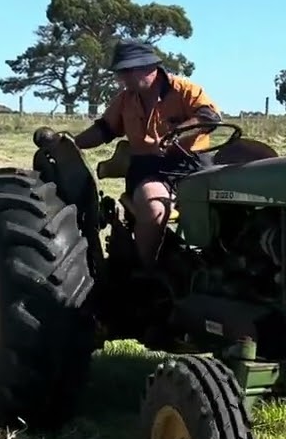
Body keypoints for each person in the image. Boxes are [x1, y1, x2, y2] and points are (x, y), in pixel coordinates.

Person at [68, 38, 222, 270]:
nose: (123, 78)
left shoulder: (186, 91)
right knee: (154, 206)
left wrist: (176, 134)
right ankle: (147, 271)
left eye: (128, 71)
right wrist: (72, 144)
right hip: (151, 170)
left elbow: (209, 118)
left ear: (150, 67)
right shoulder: (125, 100)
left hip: (195, 165)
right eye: (121, 72)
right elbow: (105, 130)